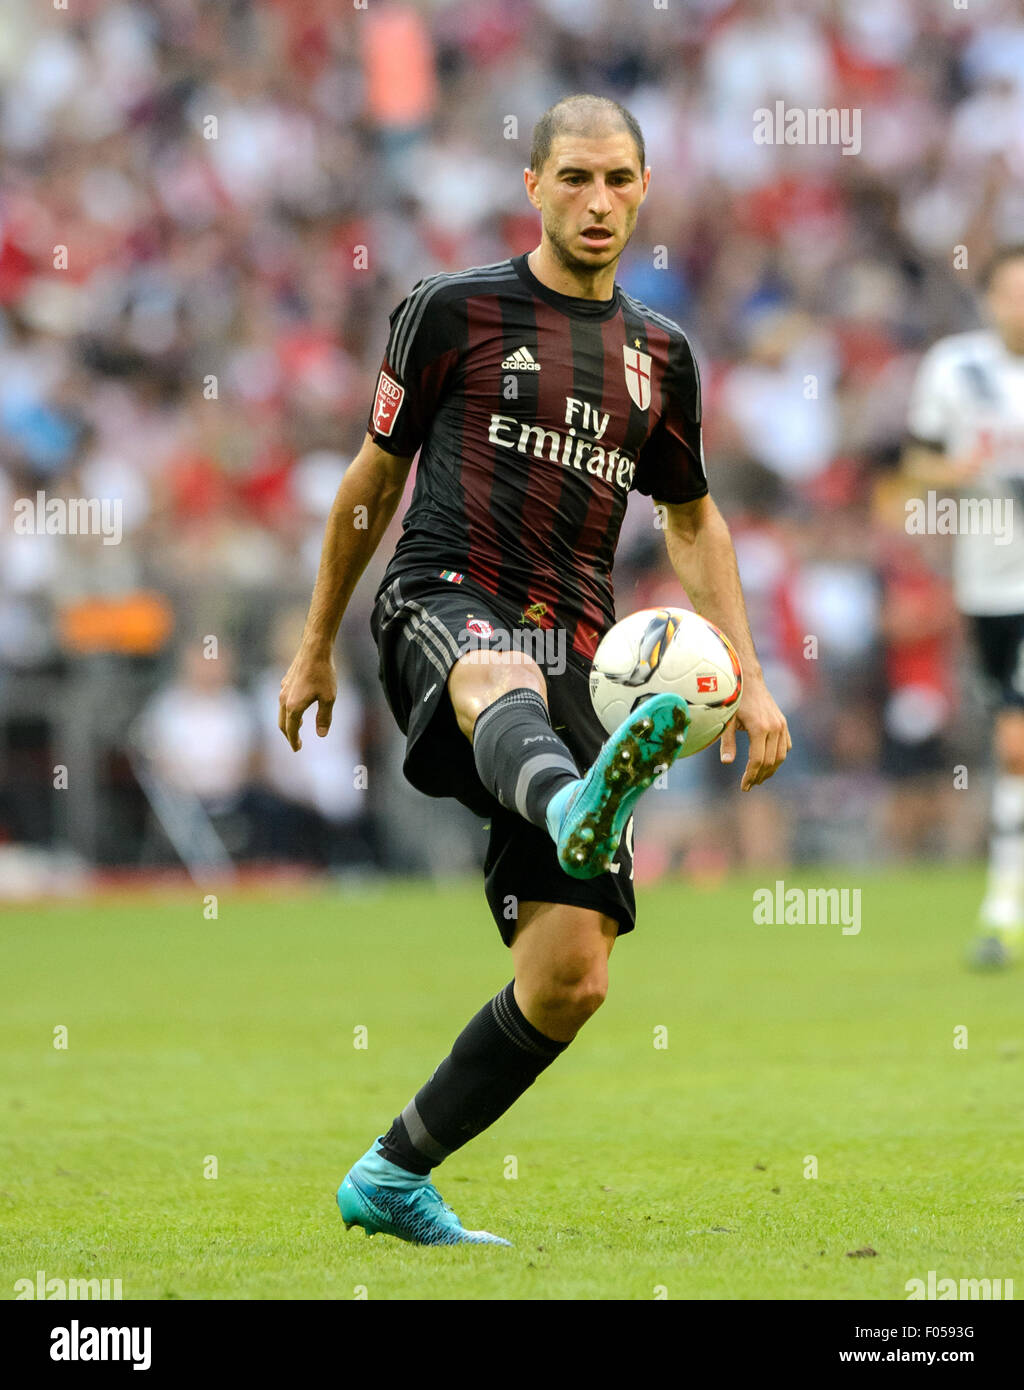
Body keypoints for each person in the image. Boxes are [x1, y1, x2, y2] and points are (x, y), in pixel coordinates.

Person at [279, 94, 790, 1246]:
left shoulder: (661, 355)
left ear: (645, 188)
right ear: (532, 185)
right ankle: (574, 802)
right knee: (492, 671)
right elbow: (367, 483)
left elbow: (695, 523)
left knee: (570, 979)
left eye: (617, 179)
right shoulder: (449, 311)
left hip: (582, 655)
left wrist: (750, 677)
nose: (596, 201)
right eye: (573, 178)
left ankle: (393, 1173)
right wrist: (313, 642)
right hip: (441, 599)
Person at [902, 244, 1024, 967]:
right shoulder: (956, 368)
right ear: (988, 299)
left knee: (1016, 747)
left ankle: (1001, 904)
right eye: (1010, 291)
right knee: (1012, 748)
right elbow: (914, 462)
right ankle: (1003, 904)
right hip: (992, 587)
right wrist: (961, 470)